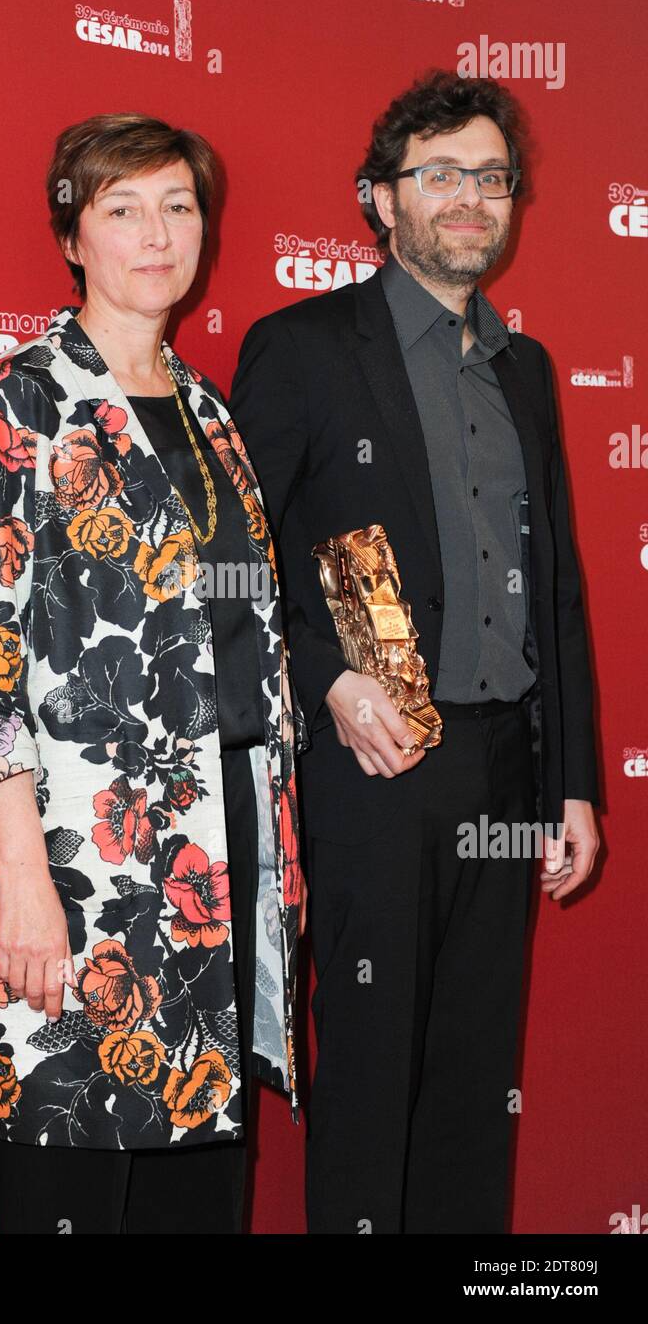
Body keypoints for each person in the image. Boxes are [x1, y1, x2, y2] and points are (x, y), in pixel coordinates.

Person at [229, 70, 601, 1234]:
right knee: (375, 1077)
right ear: (378, 199)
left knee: (474, 1080)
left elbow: (560, 593)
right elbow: (239, 566)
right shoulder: (299, 348)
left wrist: (573, 782)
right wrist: (326, 677)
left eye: (491, 177)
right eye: (440, 174)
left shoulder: (525, 369)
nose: (471, 199)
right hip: (376, 768)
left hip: (502, 769)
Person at [0, 113, 308, 1234]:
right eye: (123, 208)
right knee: (70, 1173)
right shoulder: (17, 402)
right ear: (74, 236)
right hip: (74, 864)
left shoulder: (212, 417)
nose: (157, 233)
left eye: (179, 207)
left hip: (221, 854)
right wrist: (22, 877)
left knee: (200, 1194)